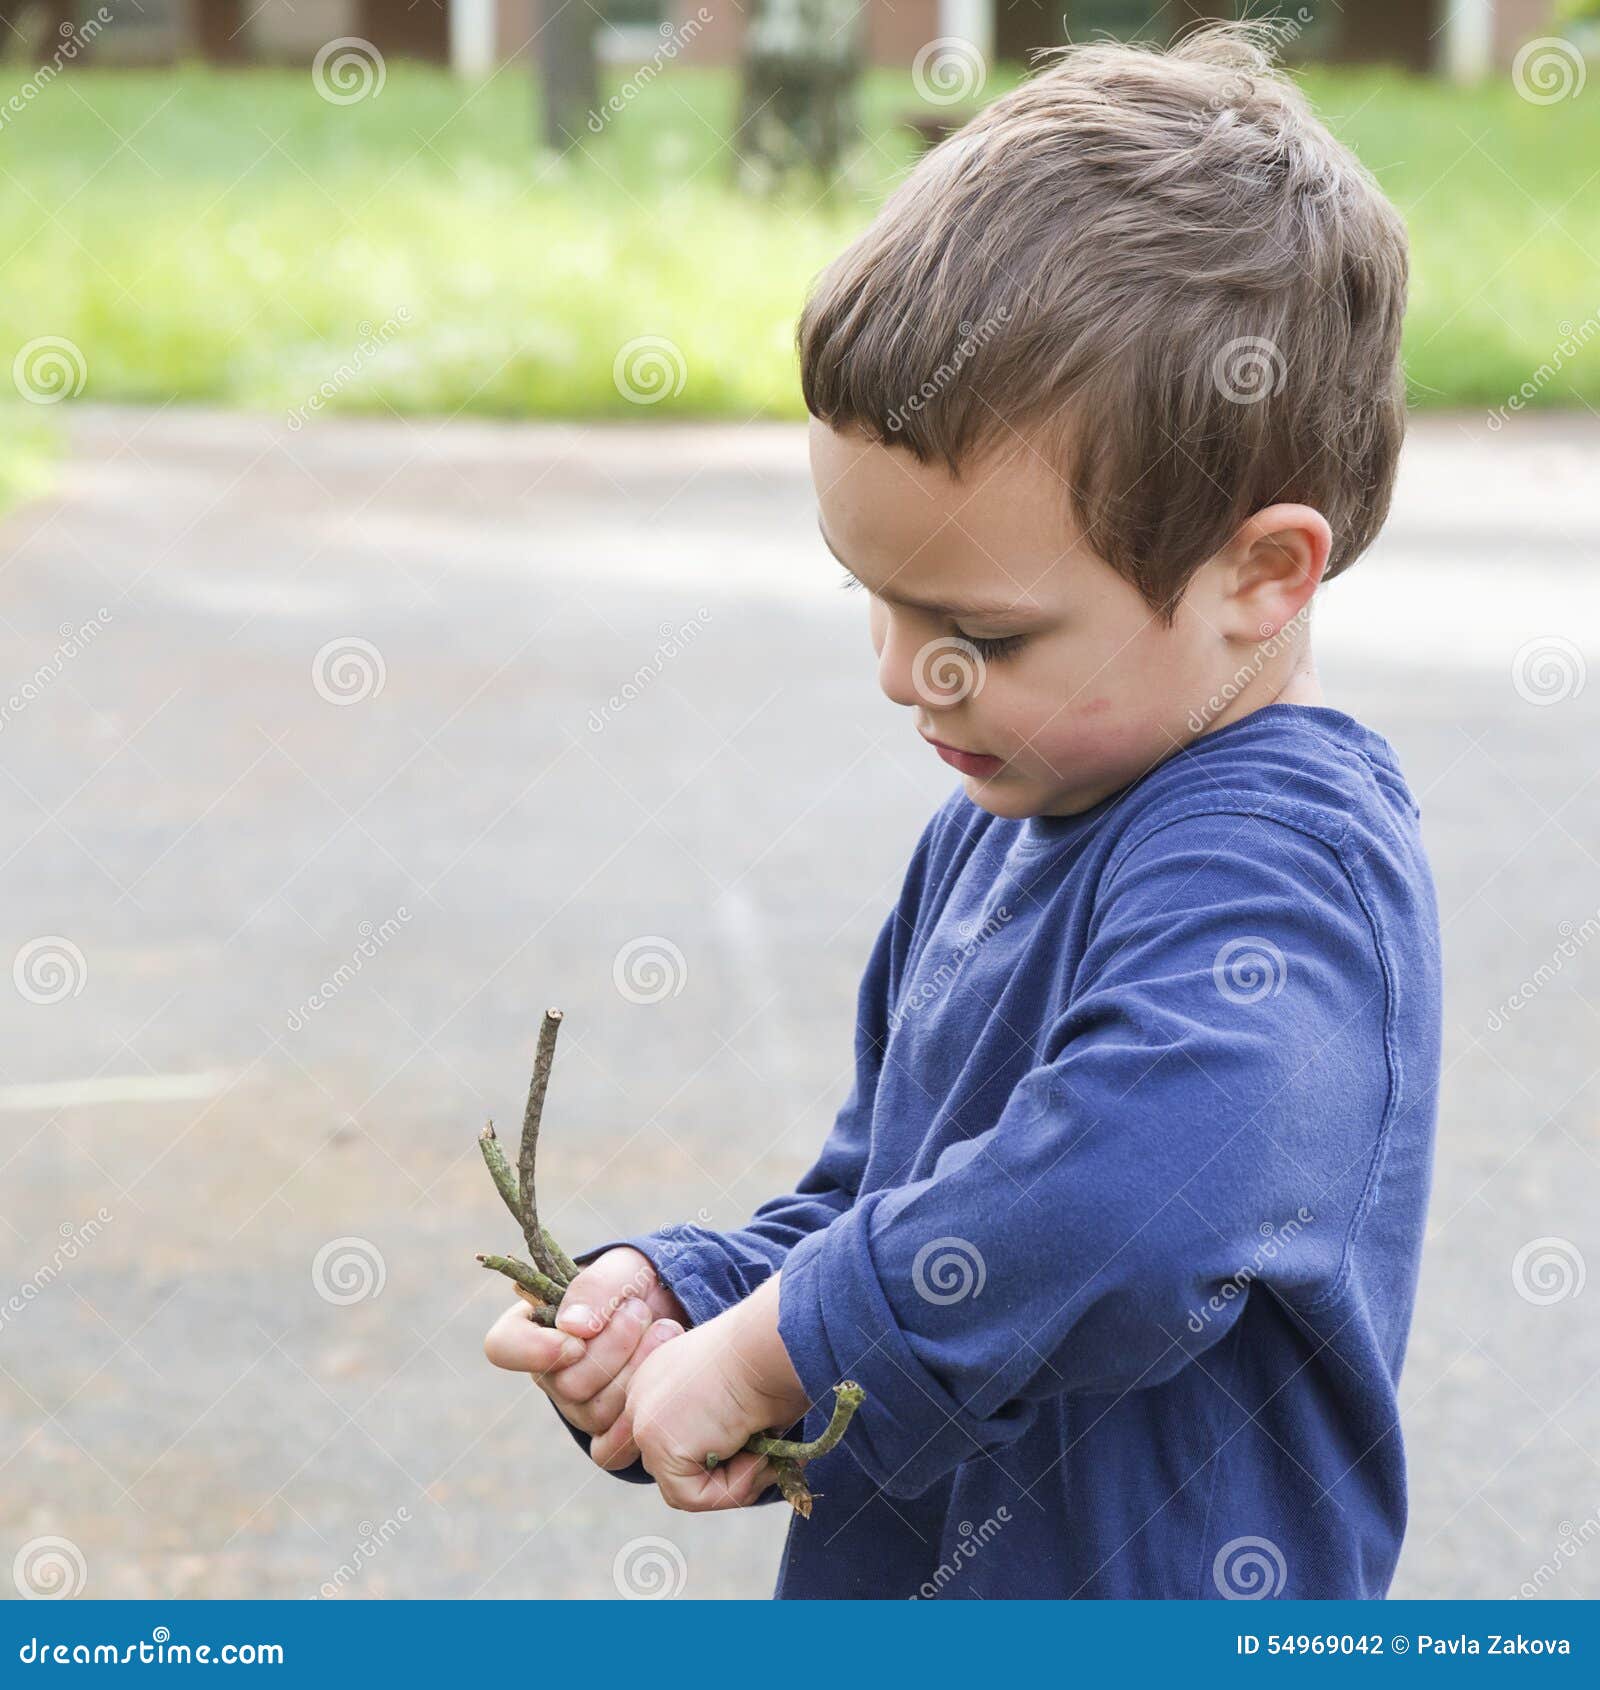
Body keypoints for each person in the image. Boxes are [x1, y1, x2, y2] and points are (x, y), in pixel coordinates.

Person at [485, 20, 1440, 1600]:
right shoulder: (1001, 824)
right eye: (872, 596)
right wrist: (690, 1298)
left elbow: (1129, 1196)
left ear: (1261, 575)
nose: (898, 674)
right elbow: (890, 1208)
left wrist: (771, 1350)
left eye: (979, 636)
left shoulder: (1285, 868)